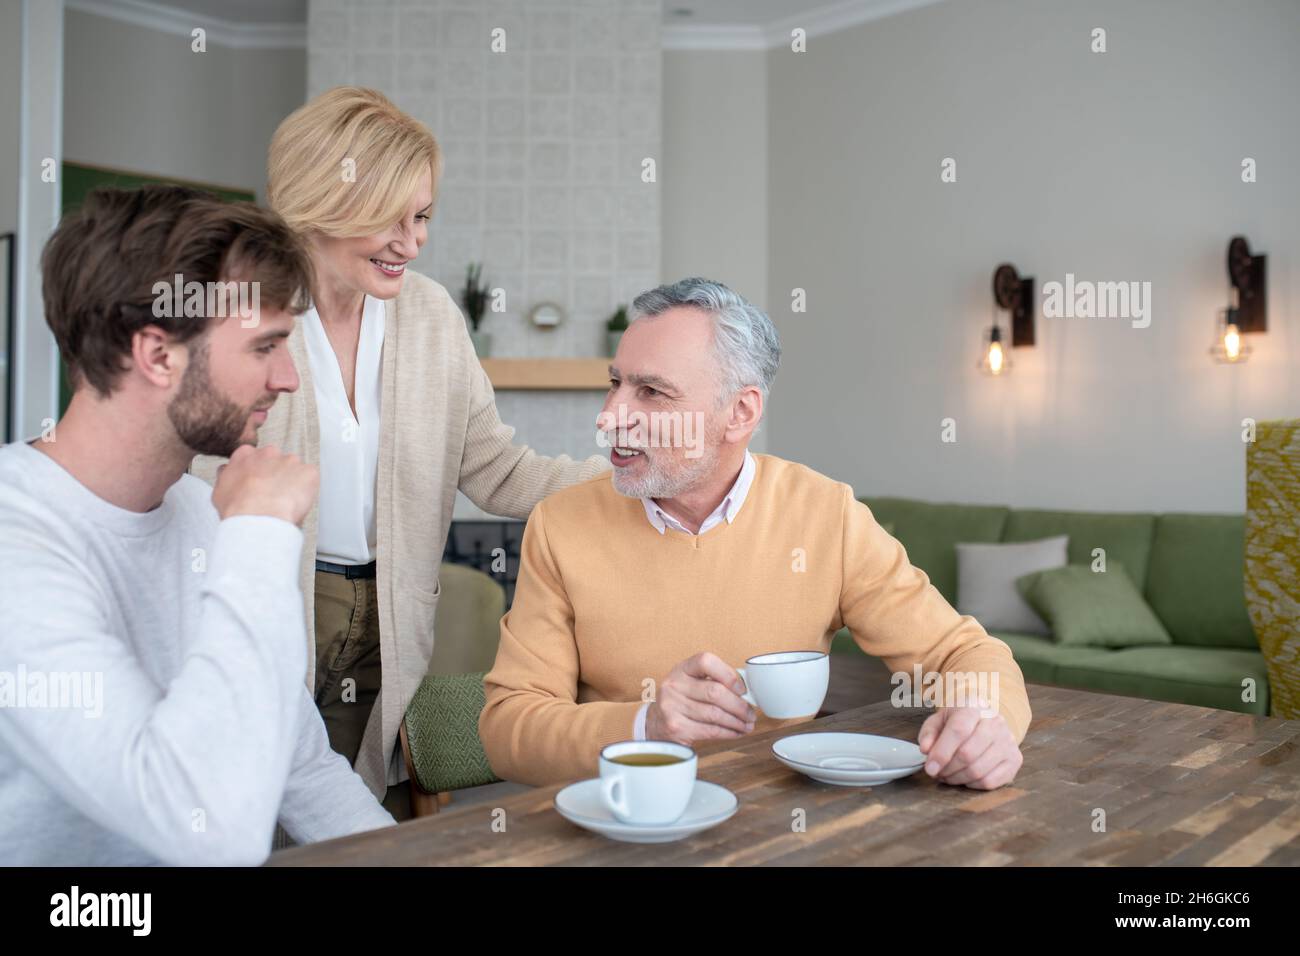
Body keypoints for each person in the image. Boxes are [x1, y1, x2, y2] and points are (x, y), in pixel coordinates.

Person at [192, 88, 606, 816]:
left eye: (422, 217)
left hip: (387, 609)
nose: (412, 242)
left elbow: (499, 470)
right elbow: (194, 486)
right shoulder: (240, 309)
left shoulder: (432, 315)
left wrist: (630, 480)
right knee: (237, 798)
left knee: (351, 812)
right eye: (391, 216)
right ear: (323, 200)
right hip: (274, 596)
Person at [480, 278, 1031, 789]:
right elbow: (508, 730)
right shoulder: (561, 525)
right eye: (616, 383)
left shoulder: (825, 515)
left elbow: (960, 652)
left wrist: (985, 720)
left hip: (779, 824)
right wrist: (647, 724)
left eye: (651, 392)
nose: (610, 416)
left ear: (739, 413)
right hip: (624, 823)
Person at [0, 185, 394, 865]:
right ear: (157, 356)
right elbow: (204, 828)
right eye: (265, 346)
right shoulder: (18, 540)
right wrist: (262, 532)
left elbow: (304, 767)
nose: (289, 378)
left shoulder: (203, 516)